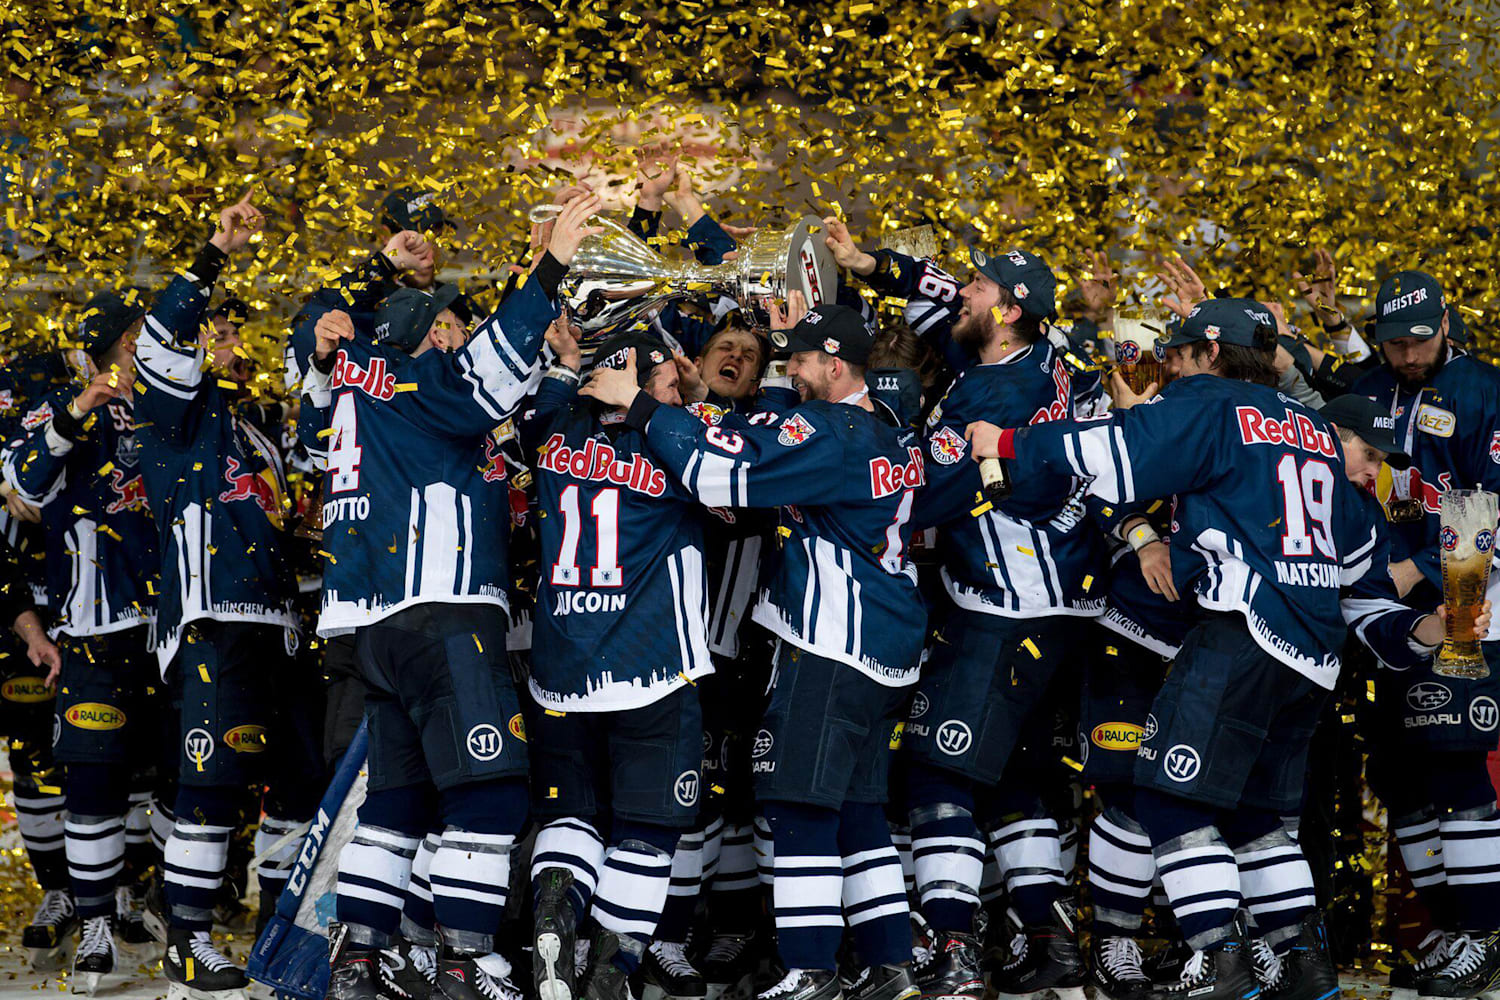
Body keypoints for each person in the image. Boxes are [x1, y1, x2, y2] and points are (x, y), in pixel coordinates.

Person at [964, 298, 1433, 1000]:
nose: (1173, 363)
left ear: (1212, 355)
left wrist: (1004, 443)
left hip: (1241, 634)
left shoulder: (1211, 403)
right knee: (1250, 816)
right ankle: (1306, 965)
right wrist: (1422, 632)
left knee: (1164, 796)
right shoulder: (1312, 426)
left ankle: (1221, 956)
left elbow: (1112, 455)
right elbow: (1362, 577)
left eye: (1182, 352)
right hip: (1312, 655)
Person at [293, 194, 600, 1000]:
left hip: (376, 624)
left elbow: (496, 405)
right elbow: (486, 374)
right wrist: (551, 263)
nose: (454, 329)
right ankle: (467, 961)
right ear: (420, 338)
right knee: (492, 789)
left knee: (396, 796)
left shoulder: (355, 394)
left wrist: (559, 370)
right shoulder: (422, 385)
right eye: (443, 323)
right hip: (442, 609)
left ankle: (361, 959)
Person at [581, 299, 925, 1000]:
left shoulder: (832, 430)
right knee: (856, 815)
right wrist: (706, 401)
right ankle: (891, 967)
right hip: (885, 646)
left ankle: (809, 971)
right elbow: (763, 437)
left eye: (796, 360)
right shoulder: (879, 426)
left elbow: (720, 473)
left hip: (834, 642)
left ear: (833, 366)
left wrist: (642, 409)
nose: (785, 371)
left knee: (796, 808)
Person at [132, 192, 325, 1000]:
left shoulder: (261, 426)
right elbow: (155, 343)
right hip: (211, 619)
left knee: (291, 782)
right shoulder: (177, 415)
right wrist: (213, 249)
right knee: (211, 784)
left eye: (237, 331)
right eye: (215, 331)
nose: (228, 342)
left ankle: (277, 928)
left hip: (279, 624)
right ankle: (188, 939)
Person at [897, 246, 1103, 1000]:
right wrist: (875, 263)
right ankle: (1048, 939)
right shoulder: (1053, 356)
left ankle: (952, 946)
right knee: (1016, 779)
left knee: (937, 774)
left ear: (1008, 310)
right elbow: (945, 308)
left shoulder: (988, 391)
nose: (962, 293)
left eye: (977, 286)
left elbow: (920, 495)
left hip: (1004, 605)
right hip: (1066, 606)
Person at [518, 323, 711, 1000]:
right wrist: (689, 401)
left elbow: (537, 411)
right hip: (650, 664)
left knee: (569, 817)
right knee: (648, 827)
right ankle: (608, 973)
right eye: (662, 375)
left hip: (560, 667)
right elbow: (737, 475)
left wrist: (570, 367)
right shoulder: (671, 443)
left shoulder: (555, 433)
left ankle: (554, 916)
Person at [2, 288, 163, 989]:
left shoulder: (178, 400)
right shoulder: (60, 404)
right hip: (76, 617)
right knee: (70, 768)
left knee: (166, 778)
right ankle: (84, 907)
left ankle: (140, 900)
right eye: (140, 334)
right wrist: (76, 412)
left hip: (171, 621)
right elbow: (20, 488)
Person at [1348, 271, 1500, 1000]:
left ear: (1446, 324)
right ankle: (1445, 932)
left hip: (1469, 596)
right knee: (1401, 773)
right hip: (1384, 605)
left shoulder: (1482, 389)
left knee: (1455, 760)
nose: (1407, 356)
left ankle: (1484, 934)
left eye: (1418, 341)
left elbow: (1486, 507)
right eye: (1393, 344)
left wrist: (1436, 595)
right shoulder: (1372, 382)